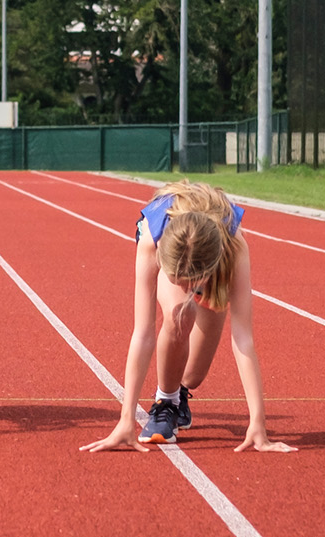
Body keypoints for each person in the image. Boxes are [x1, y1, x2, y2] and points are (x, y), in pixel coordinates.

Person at [81, 179, 295, 453]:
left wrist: (258, 424)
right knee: (179, 314)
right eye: (176, 279)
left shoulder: (235, 243)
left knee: (193, 374)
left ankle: (180, 393)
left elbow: (243, 337)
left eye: (190, 283)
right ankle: (166, 403)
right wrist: (126, 421)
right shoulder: (152, 240)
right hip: (173, 241)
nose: (184, 288)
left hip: (209, 253)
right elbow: (143, 333)